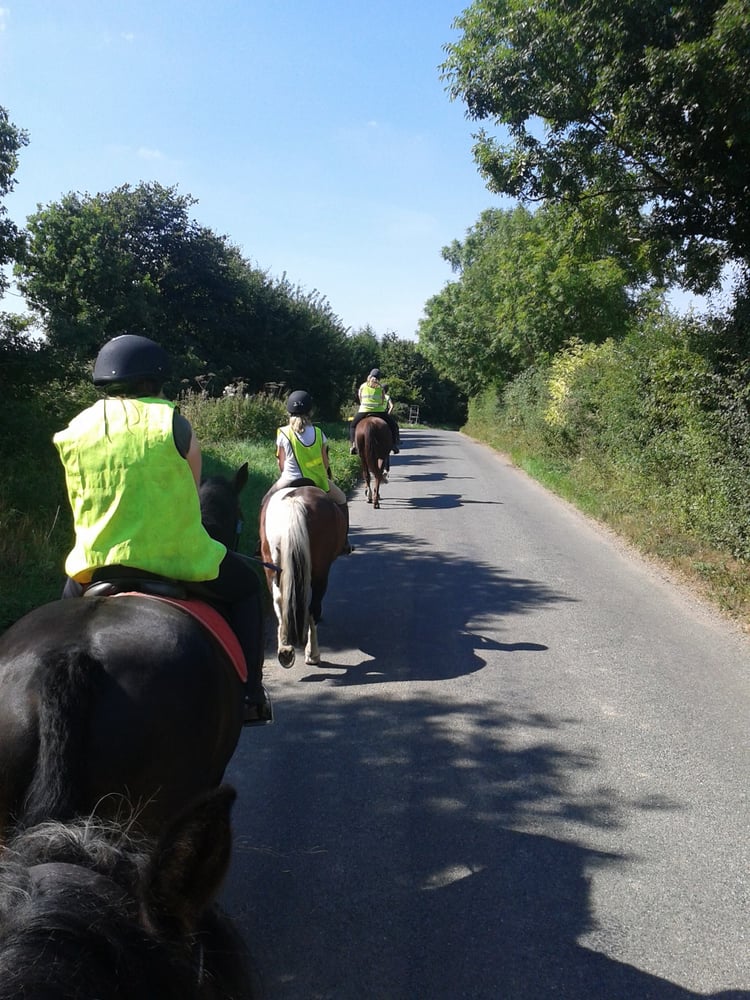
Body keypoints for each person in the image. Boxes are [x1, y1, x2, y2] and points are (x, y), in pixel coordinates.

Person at [52, 334, 270, 725]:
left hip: (94, 563)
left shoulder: (75, 429)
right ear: (156, 378)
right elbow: (192, 496)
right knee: (248, 589)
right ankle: (252, 694)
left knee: (57, 627)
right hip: (176, 558)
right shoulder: (174, 425)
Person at [272, 389, 354, 554]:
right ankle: (344, 542)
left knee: (265, 501)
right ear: (310, 411)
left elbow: (281, 463)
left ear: (289, 410)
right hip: (317, 481)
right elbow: (325, 463)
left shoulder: (283, 433)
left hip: (289, 480)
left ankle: (260, 544)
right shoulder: (318, 433)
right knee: (341, 499)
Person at [348, 368, 400, 455]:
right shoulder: (381, 387)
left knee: (352, 426)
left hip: (364, 410)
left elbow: (360, 398)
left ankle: (353, 445)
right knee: (393, 425)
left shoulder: (363, 386)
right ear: (379, 378)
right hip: (379, 411)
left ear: (370, 375)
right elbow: (382, 401)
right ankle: (394, 445)